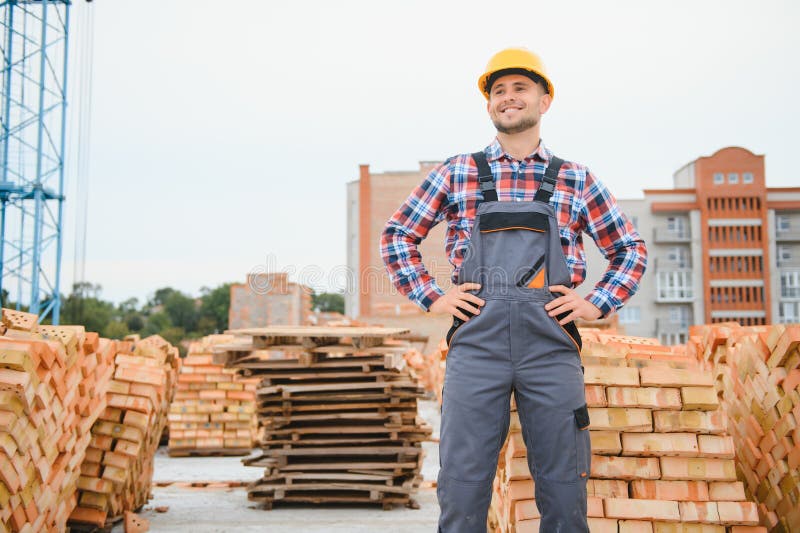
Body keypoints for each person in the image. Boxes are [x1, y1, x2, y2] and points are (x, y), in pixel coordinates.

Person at [380, 47, 647, 532]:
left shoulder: (575, 178)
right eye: (498, 91)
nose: (508, 98)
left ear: (545, 100)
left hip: (551, 345)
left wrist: (595, 303)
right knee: (462, 484)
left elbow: (629, 249)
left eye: (520, 88)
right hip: (476, 346)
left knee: (564, 485)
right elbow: (398, 235)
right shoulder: (458, 171)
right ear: (489, 106)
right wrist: (433, 296)